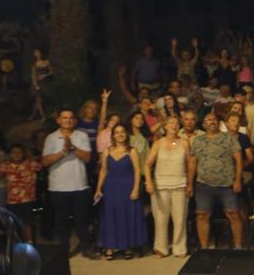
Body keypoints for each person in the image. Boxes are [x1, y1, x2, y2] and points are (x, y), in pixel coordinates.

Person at [41, 108, 93, 254]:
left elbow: (87, 157)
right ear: (58, 120)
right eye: (64, 117)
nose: (68, 120)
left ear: (74, 120)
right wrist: (63, 152)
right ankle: (64, 249)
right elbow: (45, 161)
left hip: (79, 185)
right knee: (61, 221)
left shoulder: (82, 135)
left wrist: (72, 148)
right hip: (58, 187)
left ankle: (85, 247)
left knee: (81, 220)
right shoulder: (51, 138)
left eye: (71, 117)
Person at [188, 112, 244, 248]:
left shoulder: (229, 138)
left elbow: (239, 160)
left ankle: (238, 246)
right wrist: (189, 184)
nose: (212, 121)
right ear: (203, 124)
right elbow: (192, 163)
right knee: (202, 215)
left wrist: (237, 180)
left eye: (214, 119)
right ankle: (204, 248)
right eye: (208, 119)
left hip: (227, 184)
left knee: (233, 214)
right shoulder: (197, 141)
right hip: (203, 185)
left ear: (219, 123)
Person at [94, 124, 146, 259]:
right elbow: (103, 170)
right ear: (113, 135)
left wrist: (135, 189)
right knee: (110, 216)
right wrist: (98, 189)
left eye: (122, 132)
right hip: (111, 188)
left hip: (127, 187)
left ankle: (126, 246)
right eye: (117, 132)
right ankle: (110, 247)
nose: (120, 134)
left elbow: (137, 171)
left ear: (126, 134)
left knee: (126, 216)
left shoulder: (132, 151)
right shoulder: (107, 151)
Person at [144, 116, 190, 258]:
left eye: (176, 123)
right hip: (160, 185)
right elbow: (147, 164)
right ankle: (161, 248)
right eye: (171, 123)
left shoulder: (185, 143)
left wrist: (189, 183)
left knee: (180, 218)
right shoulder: (158, 143)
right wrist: (149, 182)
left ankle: (179, 248)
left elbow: (190, 164)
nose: (174, 125)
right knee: (160, 218)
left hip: (180, 183)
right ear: (164, 125)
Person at [0, 142, 41, 240]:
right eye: (13, 152)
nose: (16, 155)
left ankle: (29, 242)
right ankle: (14, 242)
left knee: (28, 222)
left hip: (27, 199)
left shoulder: (30, 164)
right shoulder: (6, 165)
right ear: (9, 154)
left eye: (19, 152)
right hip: (12, 200)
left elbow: (41, 165)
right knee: (13, 221)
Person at [30, 48, 53, 121]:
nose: (37, 54)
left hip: (45, 83)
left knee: (42, 100)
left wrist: (45, 75)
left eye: (38, 52)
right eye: (35, 53)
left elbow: (51, 72)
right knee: (38, 99)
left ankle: (32, 115)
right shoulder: (34, 64)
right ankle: (43, 116)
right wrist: (36, 85)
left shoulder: (46, 62)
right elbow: (33, 75)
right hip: (38, 83)